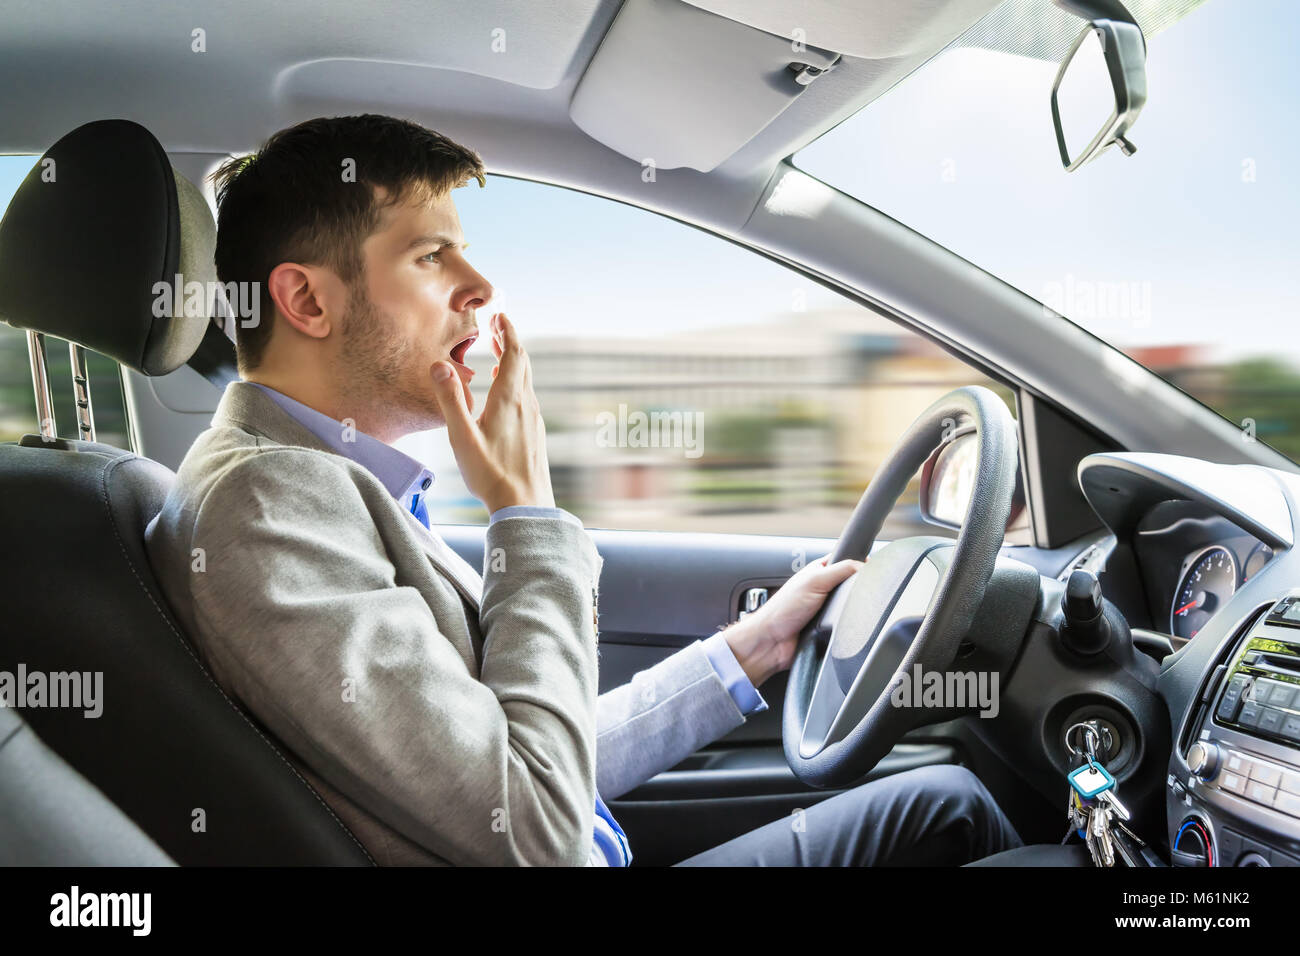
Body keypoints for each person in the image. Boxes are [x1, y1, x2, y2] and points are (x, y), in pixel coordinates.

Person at [144, 114, 1022, 866]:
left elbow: (525, 759)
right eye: (431, 255)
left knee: (946, 801)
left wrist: (750, 648)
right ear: (305, 300)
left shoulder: (321, 482)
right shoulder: (266, 506)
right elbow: (533, 827)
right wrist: (524, 516)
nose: (479, 287)